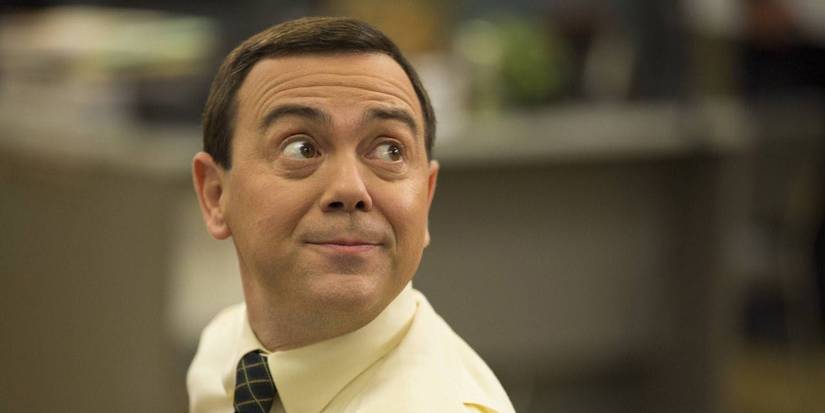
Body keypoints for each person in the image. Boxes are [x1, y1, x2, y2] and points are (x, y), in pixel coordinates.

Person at [188, 16, 516, 413]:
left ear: (427, 198)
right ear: (215, 194)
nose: (350, 189)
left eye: (389, 151)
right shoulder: (224, 350)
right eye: (301, 148)